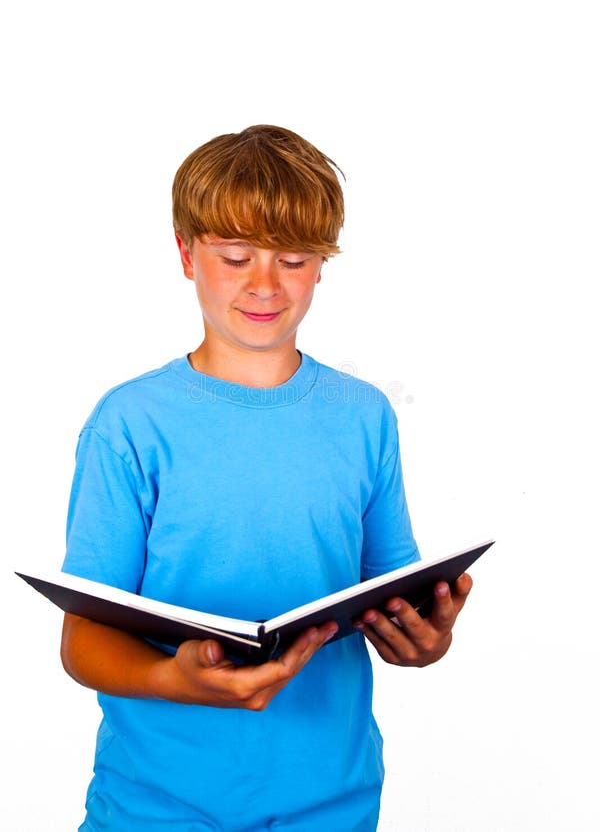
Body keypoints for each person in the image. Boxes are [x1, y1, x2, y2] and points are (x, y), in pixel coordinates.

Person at [60, 124, 472, 832]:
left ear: (321, 265)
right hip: (156, 807)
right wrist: (172, 678)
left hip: (330, 805)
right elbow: (83, 641)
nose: (264, 284)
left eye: (292, 258)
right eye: (236, 256)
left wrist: (426, 641)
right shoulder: (129, 424)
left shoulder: (363, 417)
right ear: (187, 254)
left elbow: (390, 598)